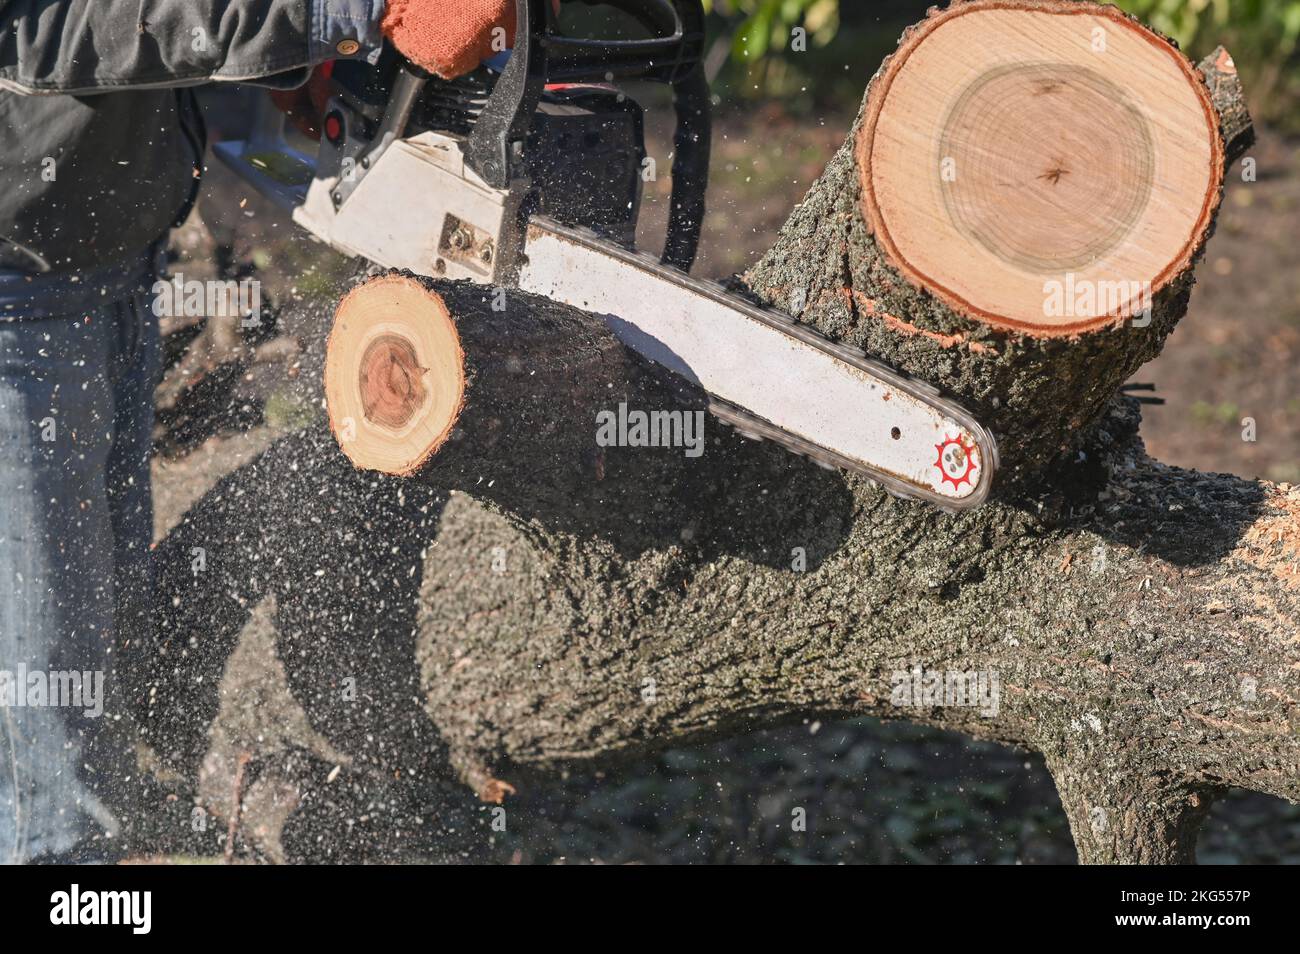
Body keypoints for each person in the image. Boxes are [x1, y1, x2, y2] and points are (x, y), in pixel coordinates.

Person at [0, 0, 517, 864]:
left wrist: (280, 57)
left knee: (102, 654)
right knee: (50, 720)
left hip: (108, 254)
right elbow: (41, 29)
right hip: (20, 287)